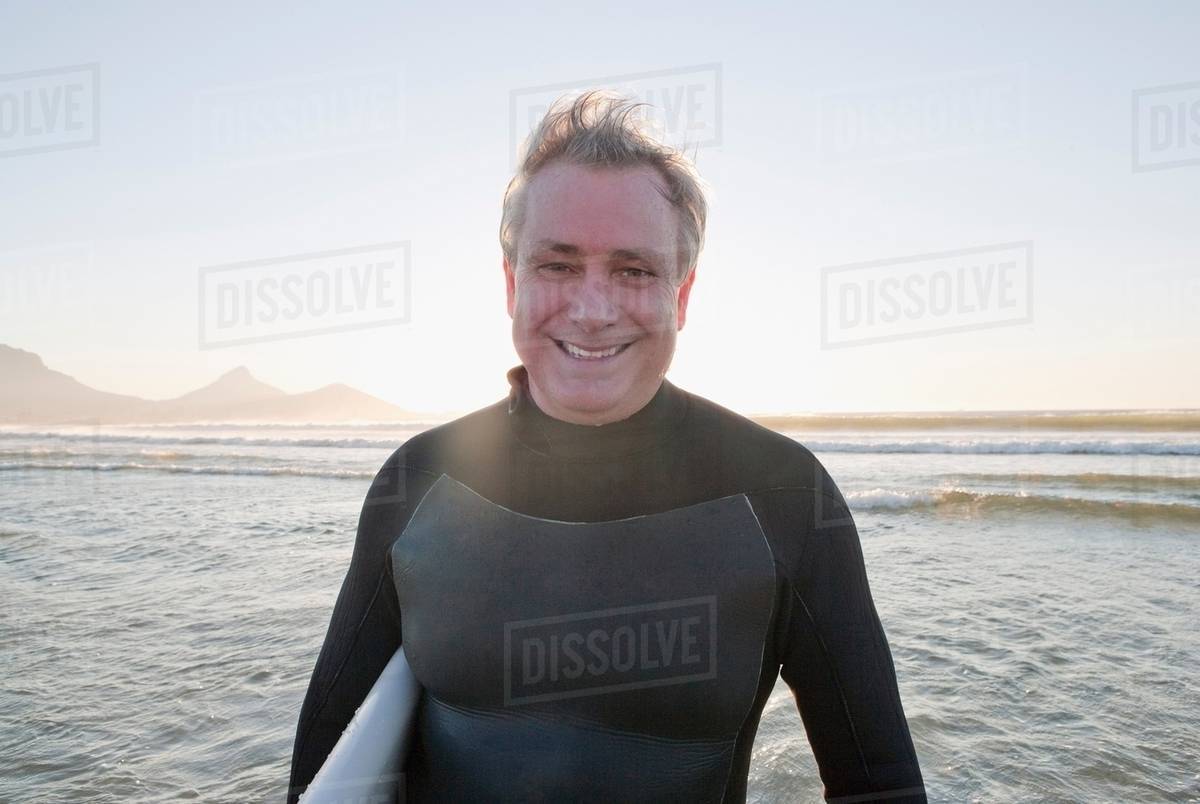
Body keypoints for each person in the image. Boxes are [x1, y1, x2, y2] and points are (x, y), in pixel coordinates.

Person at [287, 91, 926, 803]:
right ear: (512, 283)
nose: (592, 311)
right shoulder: (419, 480)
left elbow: (881, 786)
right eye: (558, 266)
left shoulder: (783, 493)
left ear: (681, 295)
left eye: (634, 271)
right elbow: (322, 769)